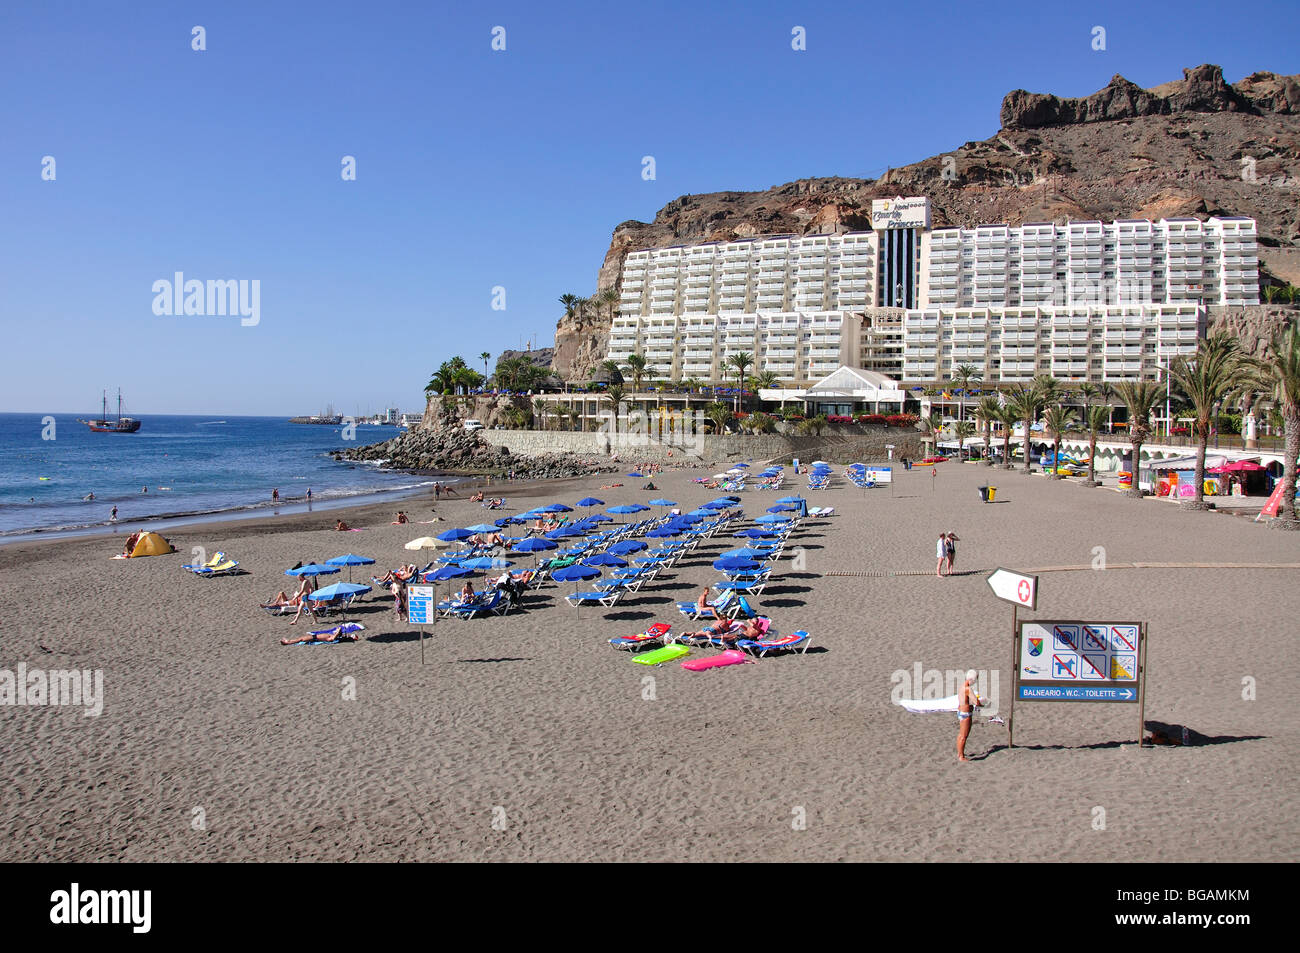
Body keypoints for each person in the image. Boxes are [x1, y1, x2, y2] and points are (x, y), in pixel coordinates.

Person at [957, 670, 983, 762]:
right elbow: (977, 702)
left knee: (961, 735)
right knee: (964, 736)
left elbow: (965, 700)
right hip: (966, 714)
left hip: (961, 711)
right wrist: (982, 703)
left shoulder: (961, 687)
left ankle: (960, 753)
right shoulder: (968, 689)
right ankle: (961, 756)